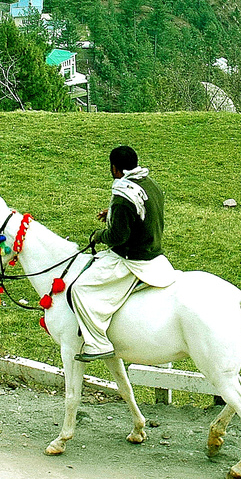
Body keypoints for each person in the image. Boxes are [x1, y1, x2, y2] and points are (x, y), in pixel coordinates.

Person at [71, 145, 178, 362]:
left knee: (79, 289)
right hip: (154, 250)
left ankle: (97, 343)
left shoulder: (122, 195)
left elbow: (118, 237)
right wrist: (112, 213)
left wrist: (99, 235)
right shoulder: (150, 184)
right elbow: (142, 212)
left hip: (134, 258)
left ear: (115, 168)